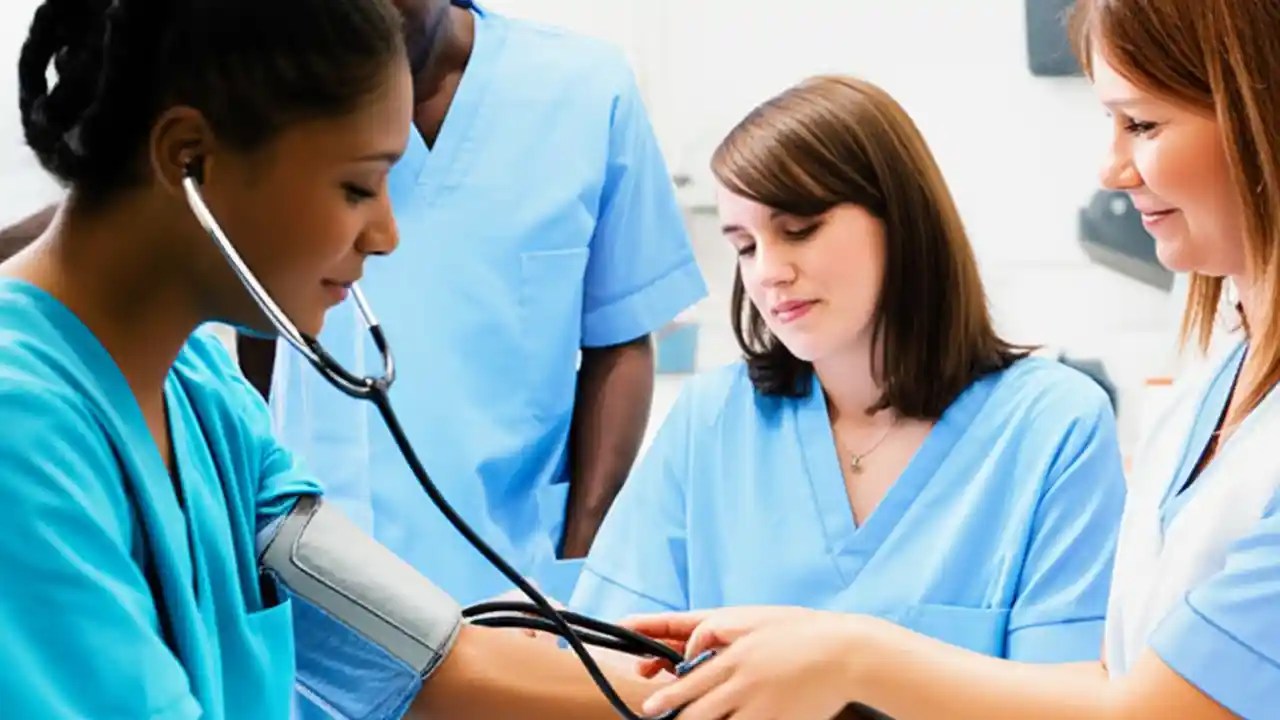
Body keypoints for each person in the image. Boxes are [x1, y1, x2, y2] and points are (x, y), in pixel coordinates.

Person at [0, 1, 662, 717]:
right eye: (358, 186)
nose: (386, 235)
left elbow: (425, 657)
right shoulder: (21, 430)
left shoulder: (204, 393)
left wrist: (696, 694)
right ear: (189, 157)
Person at [626, 1, 1280, 719]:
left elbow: (1149, 711)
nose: (1111, 168)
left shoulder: (1050, 422)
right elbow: (1115, 683)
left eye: (1143, 124)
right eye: (744, 246)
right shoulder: (1203, 392)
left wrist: (849, 658)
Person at [571, 74, 1128, 667]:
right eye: (745, 246)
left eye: (799, 231)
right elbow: (607, 663)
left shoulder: (1052, 426)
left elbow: (1064, 697)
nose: (767, 272)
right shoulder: (711, 422)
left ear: (903, 219)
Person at [262, 0, 707, 610]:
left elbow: (620, 335)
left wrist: (577, 560)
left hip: (510, 579)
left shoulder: (583, 93)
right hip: (309, 571)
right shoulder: (280, 87)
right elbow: (255, 309)